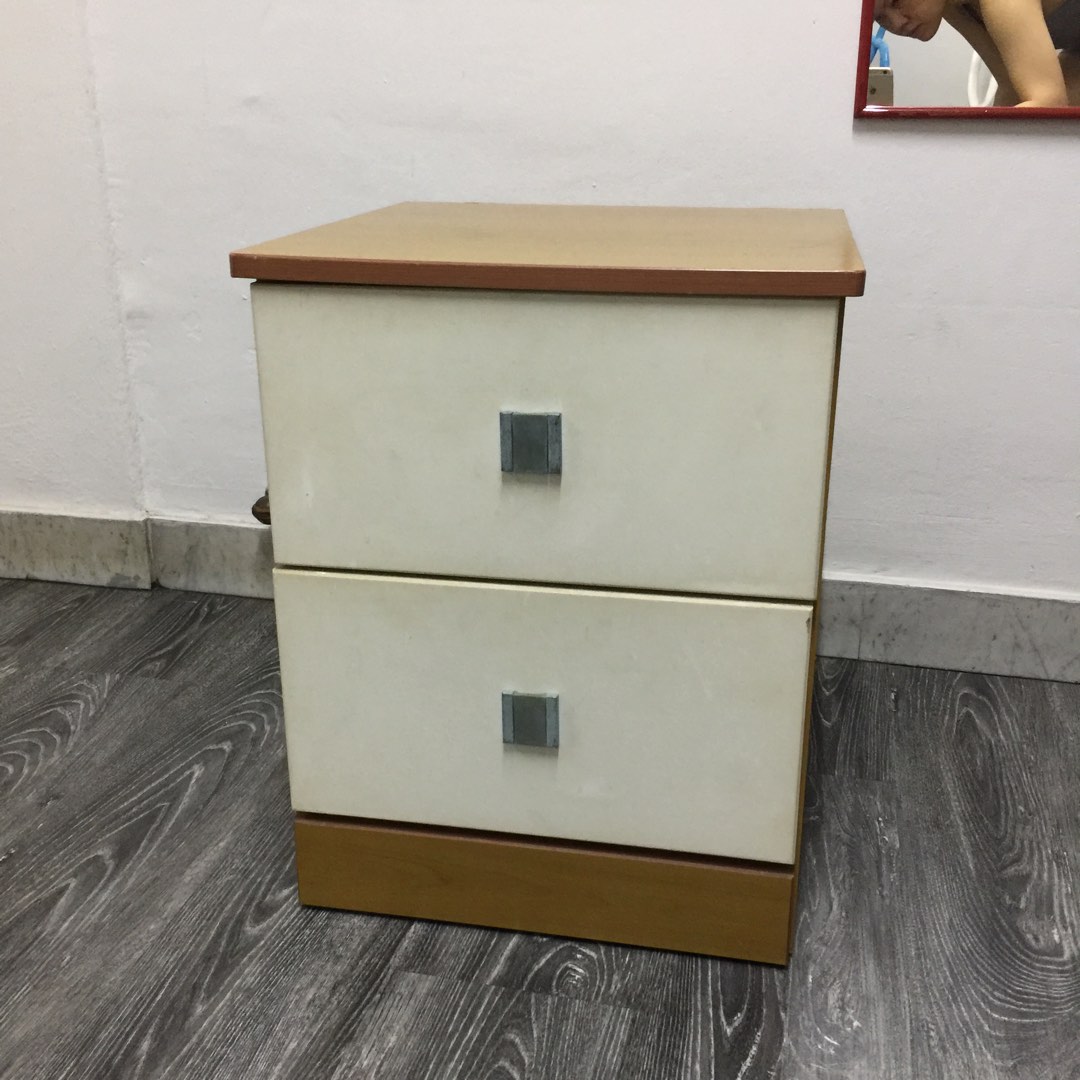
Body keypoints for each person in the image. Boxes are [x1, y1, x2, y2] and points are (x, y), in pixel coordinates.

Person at [873, 0, 1080, 105]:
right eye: (881, 18)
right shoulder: (955, 7)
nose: (897, 23)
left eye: (896, 0)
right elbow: (1010, 88)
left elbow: (1048, 103)